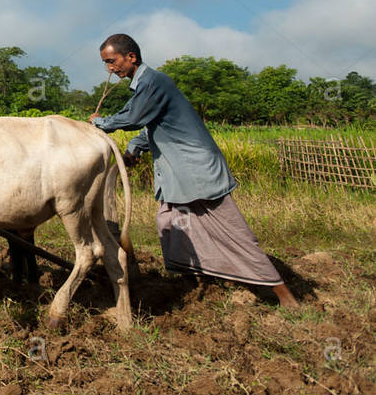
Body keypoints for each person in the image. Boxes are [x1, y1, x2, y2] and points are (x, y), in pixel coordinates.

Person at [88, 33, 299, 308]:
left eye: (112, 61)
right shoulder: (146, 86)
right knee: (169, 224)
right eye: (106, 63)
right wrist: (134, 150)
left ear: (131, 57)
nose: (110, 69)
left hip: (197, 172)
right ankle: (196, 278)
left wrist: (100, 122)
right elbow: (151, 126)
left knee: (234, 233)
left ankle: (285, 296)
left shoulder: (153, 82)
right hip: (178, 175)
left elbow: (133, 118)